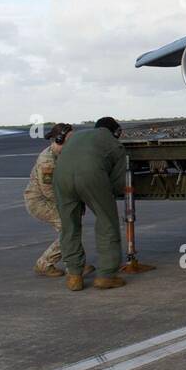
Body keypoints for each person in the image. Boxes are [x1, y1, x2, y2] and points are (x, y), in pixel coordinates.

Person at [53, 116, 127, 291]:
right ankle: (106, 276)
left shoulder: (78, 135)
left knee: (69, 225)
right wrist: (109, 195)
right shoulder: (114, 143)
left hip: (61, 176)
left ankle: (74, 276)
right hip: (91, 175)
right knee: (106, 221)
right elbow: (118, 182)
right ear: (115, 131)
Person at [23, 122, 92, 278]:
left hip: (53, 198)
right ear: (59, 140)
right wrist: (71, 204)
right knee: (69, 229)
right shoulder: (47, 162)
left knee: (71, 227)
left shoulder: (63, 155)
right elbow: (49, 191)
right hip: (40, 201)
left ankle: (74, 264)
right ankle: (45, 263)